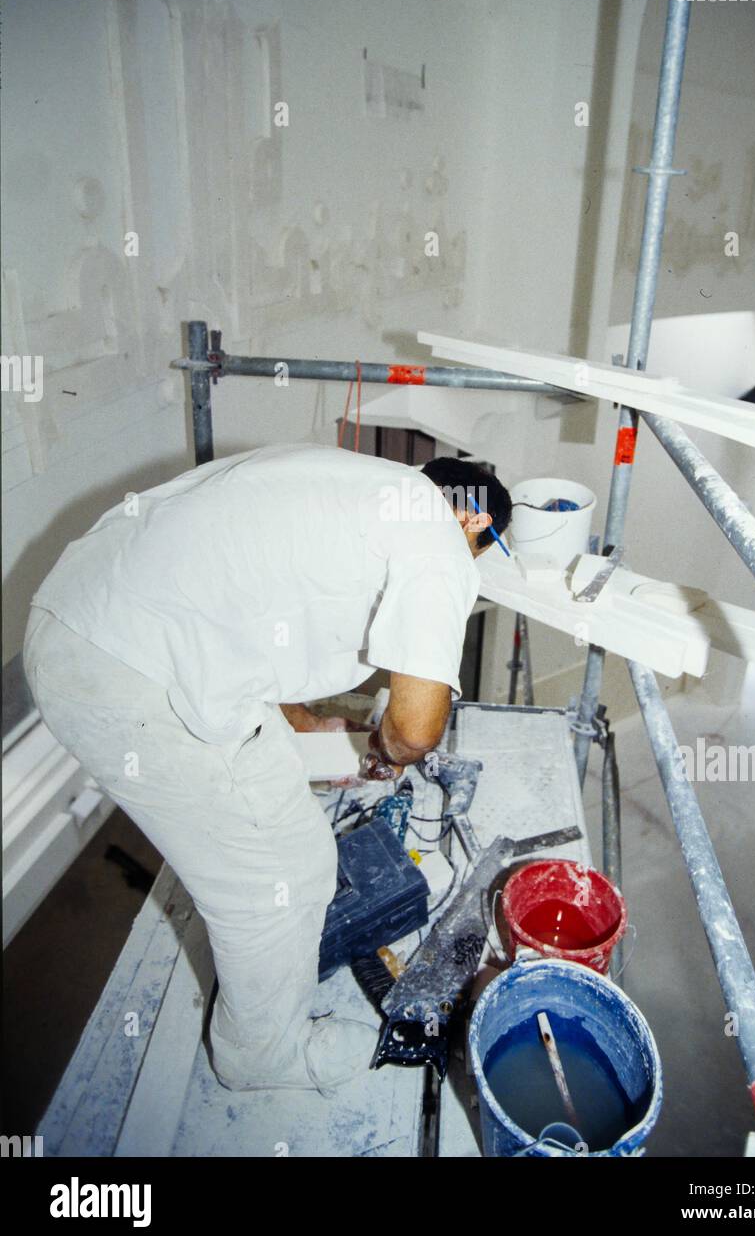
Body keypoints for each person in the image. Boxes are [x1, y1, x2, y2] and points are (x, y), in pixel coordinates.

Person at [22, 444, 512, 1094]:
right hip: (125, 676)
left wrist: (303, 725)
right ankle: (258, 1060)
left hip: (81, 616)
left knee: (275, 798)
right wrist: (383, 754)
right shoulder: (440, 532)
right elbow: (417, 728)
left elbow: (241, 599)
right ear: (476, 524)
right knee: (279, 879)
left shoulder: (341, 480)